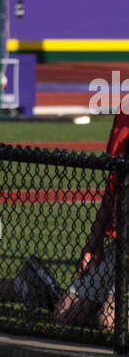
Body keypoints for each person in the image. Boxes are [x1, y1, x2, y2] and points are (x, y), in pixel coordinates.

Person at [53, 107, 129, 332]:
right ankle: (38, 287)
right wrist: (93, 243)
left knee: (108, 322)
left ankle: (110, 303)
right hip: (120, 245)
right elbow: (112, 189)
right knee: (65, 314)